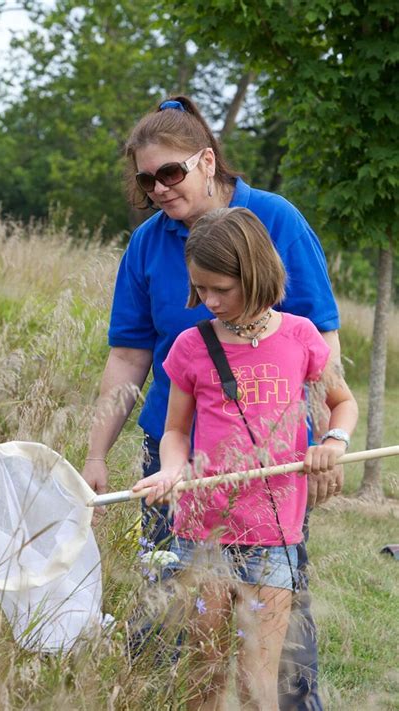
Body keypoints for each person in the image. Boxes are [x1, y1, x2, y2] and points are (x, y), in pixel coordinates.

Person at [82, 95, 342, 709]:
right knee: (175, 608)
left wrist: (326, 437)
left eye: (169, 172)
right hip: (178, 460)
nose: (158, 189)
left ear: (206, 160)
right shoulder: (148, 244)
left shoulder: (273, 219)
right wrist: (96, 454)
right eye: (146, 180)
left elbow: (319, 342)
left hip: (269, 462)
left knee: (274, 625)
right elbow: (127, 355)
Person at [132, 207, 358, 710]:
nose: (209, 302)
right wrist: (172, 469)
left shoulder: (299, 337)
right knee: (204, 674)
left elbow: (342, 401)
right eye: (200, 289)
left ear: (255, 273)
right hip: (201, 533)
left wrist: (333, 443)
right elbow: (174, 430)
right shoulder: (194, 346)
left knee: (258, 681)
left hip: (273, 535)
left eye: (221, 289)